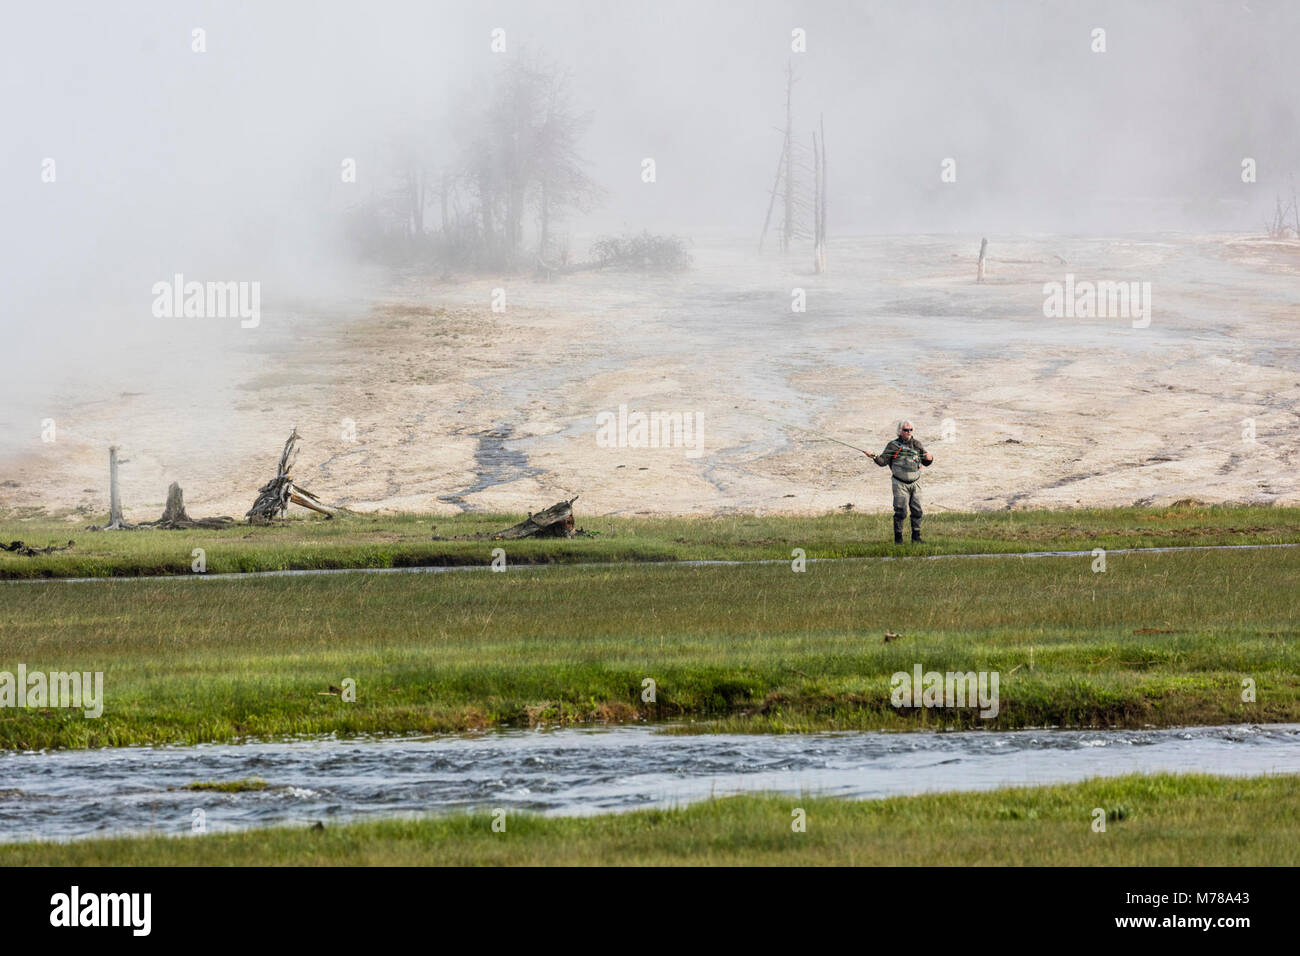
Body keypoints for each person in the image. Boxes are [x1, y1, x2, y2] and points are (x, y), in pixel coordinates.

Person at [867, 421, 934, 543]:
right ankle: (898, 539)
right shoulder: (892, 446)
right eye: (905, 430)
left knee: (917, 510)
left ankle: (916, 537)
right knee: (901, 511)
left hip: (916, 482)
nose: (908, 432)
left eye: (910, 430)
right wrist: (874, 456)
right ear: (900, 431)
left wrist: (930, 458)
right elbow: (883, 461)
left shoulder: (917, 444)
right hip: (899, 483)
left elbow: (925, 462)